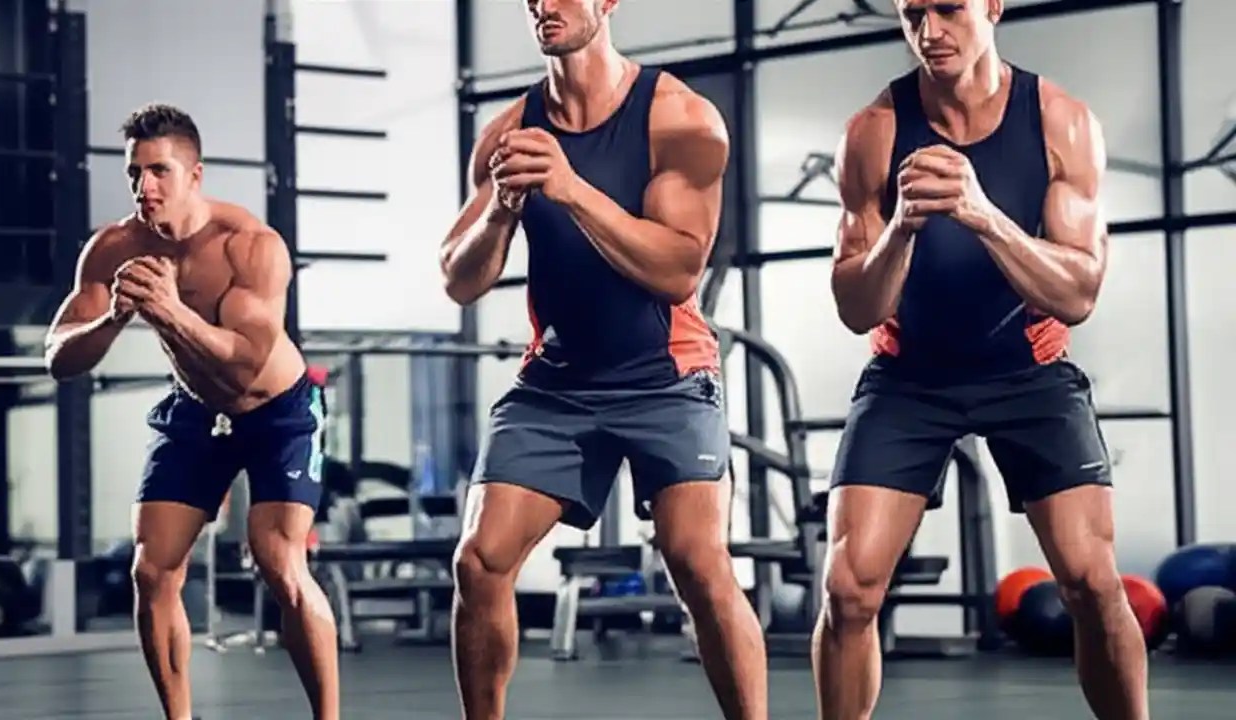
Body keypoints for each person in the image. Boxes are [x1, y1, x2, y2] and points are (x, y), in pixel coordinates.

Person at [819, 0, 1149, 718]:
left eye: (947, 9)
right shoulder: (873, 134)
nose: (929, 32)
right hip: (909, 375)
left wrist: (980, 212)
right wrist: (901, 230)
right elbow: (856, 309)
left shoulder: (1059, 121)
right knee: (848, 589)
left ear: (992, 5)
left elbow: (1079, 292)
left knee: (1093, 584)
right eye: (912, 13)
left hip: (1029, 371)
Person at [439, 1, 766, 718]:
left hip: (667, 376)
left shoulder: (680, 117)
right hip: (558, 381)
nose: (544, 7)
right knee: (479, 561)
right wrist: (500, 207)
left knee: (699, 563)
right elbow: (459, 277)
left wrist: (571, 190)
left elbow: (680, 268)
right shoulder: (507, 131)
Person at [43, 103, 340, 720]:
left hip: (277, 410)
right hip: (196, 410)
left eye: (159, 172)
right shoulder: (114, 248)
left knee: (279, 562)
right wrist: (114, 316)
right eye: (134, 174)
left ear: (195, 174)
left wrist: (169, 310)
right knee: (151, 571)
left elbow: (249, 361)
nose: (144, 188)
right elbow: (60, 359)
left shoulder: (250, 245)